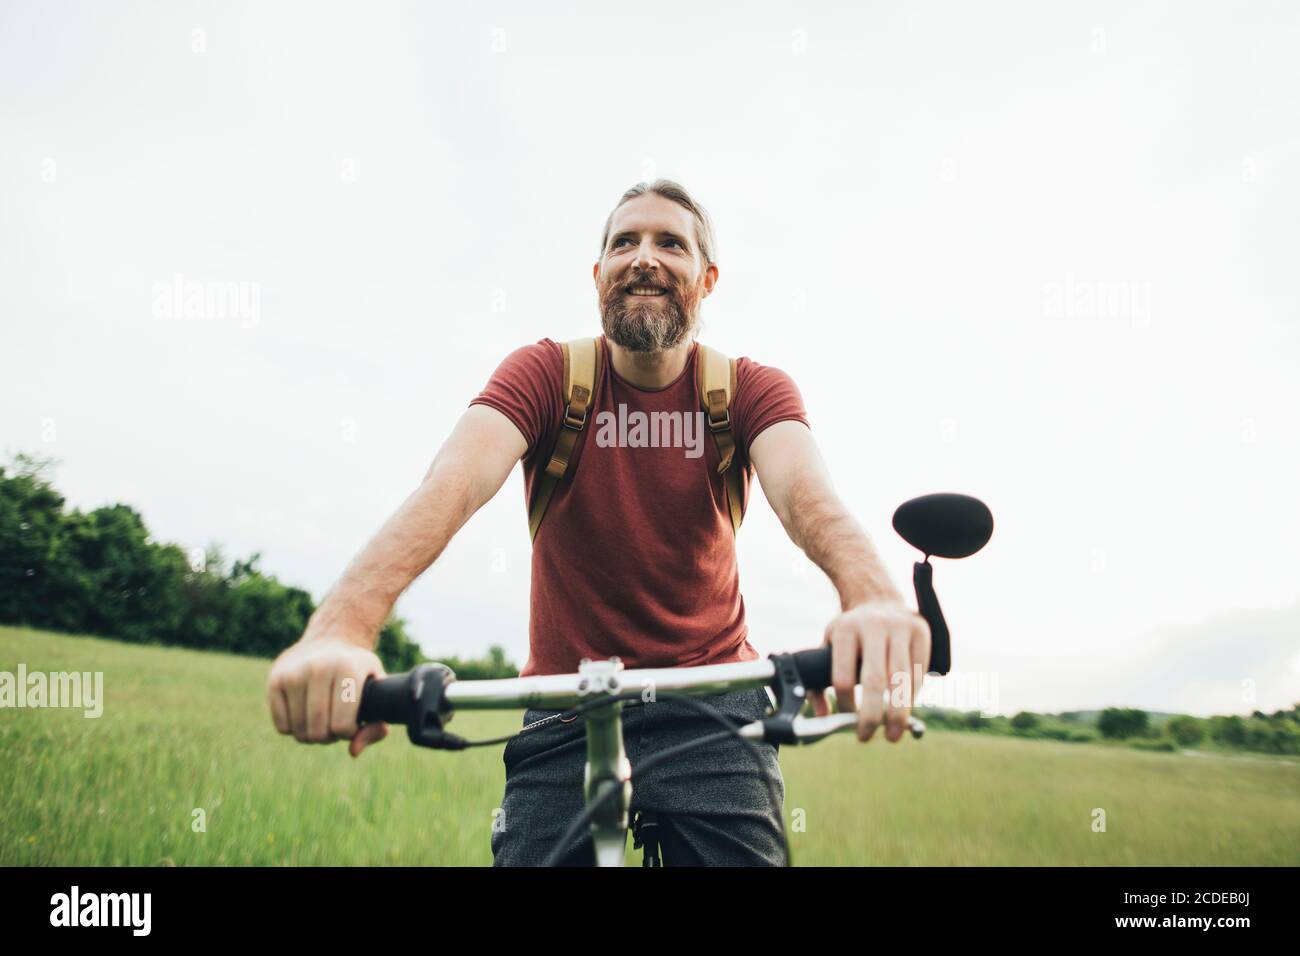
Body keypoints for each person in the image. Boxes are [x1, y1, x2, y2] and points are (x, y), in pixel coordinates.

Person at [266, 179, 931, 866]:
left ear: (707, 279)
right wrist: (341, 629)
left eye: (670, 242)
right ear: (598, 276)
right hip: (565, 702)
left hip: (713, 699)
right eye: (624, 242)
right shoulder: (547, 375)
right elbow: (450, 486)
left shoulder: (748, 389)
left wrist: (873, 598)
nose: (643, 257)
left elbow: (807, 497)